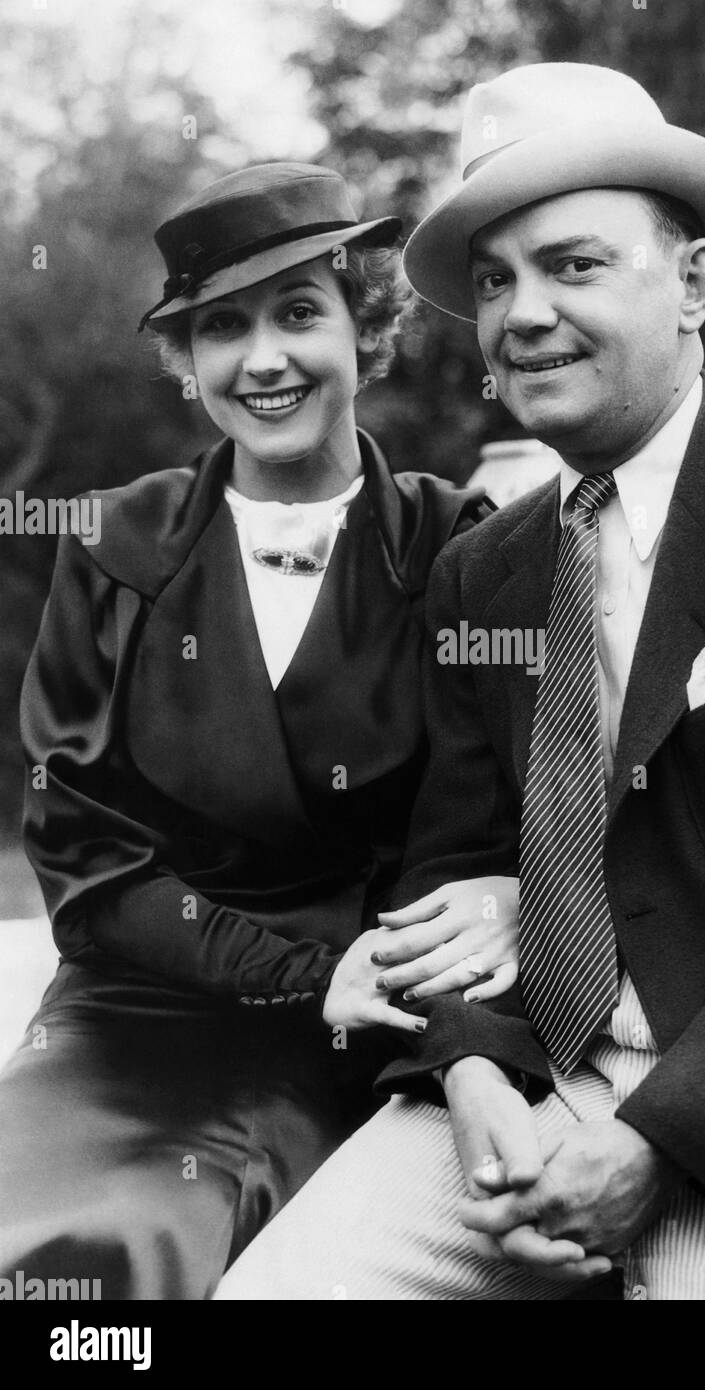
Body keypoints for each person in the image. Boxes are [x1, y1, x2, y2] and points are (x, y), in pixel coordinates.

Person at [215, 66, 705, 1302]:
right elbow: (451, 863)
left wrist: (652, 1143)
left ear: (689, 285)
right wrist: (467, 1074)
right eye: (493, 282)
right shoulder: (483, 572)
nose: (520, 316)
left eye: (571, 266)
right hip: (526, 1089)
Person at [0, 161, 520, 1300]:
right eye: (222, 328)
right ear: (187, 362)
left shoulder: (454, 546)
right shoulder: (115, 547)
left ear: (366, 329)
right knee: (35, 1261)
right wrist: (298, 968)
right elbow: (85, 866)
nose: (264, 360)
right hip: (130, 1014)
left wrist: (384, 981)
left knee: (155, 1249)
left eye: (298, 313)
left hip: (352, 1029)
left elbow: (489, 834)